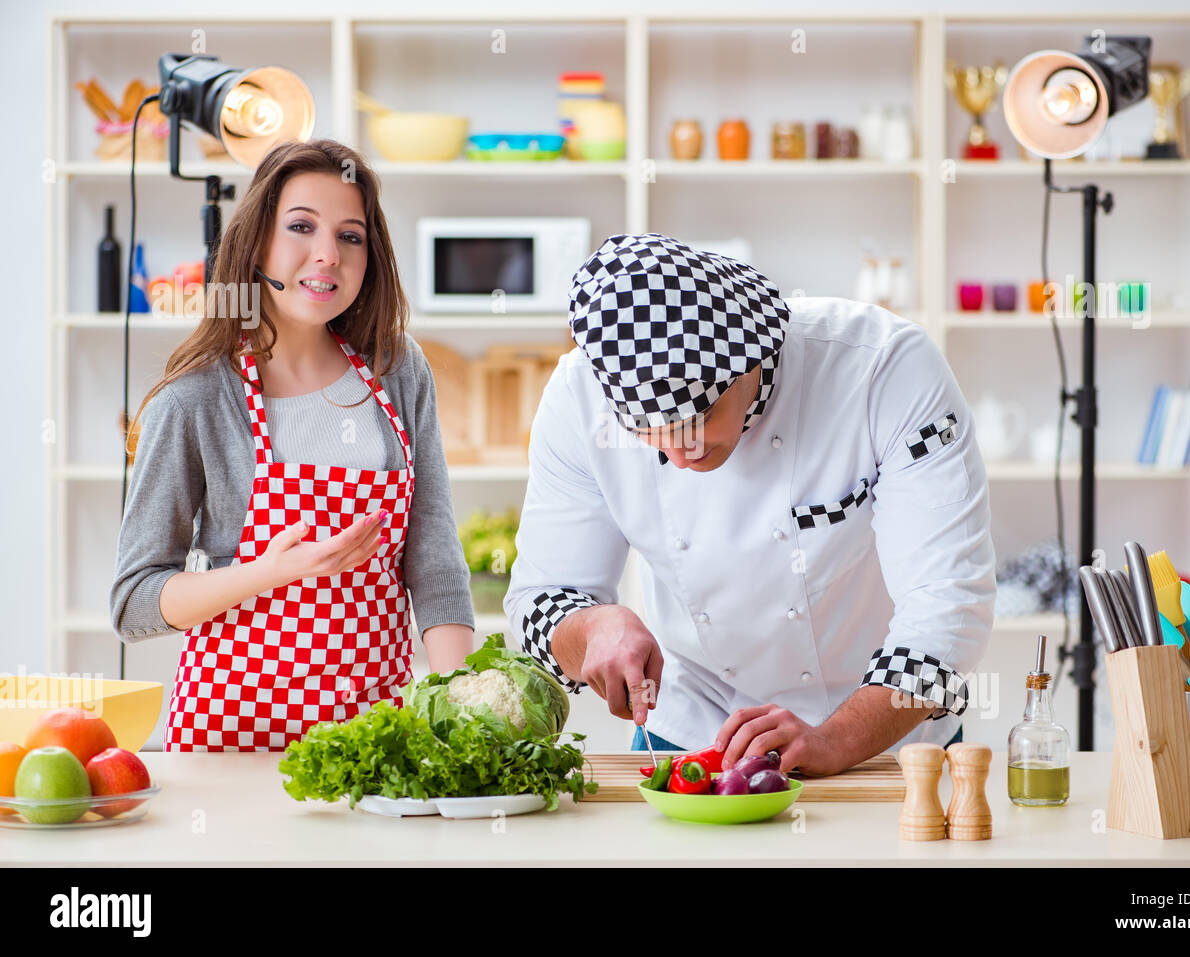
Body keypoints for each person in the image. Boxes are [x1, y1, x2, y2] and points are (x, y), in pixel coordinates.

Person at [504, 234, 995, 776]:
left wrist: (837, 740)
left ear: (750, 360)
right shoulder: (576, 400)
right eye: (649, 431)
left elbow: (951, 606)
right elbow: (539, 600)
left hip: (891, 738)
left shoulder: (885, 370)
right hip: (694, 732)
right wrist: (592, 627)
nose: (680, 452)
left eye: (700, 418)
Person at [111, 139, 474, 751]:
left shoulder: (398, 370)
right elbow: (134, 602)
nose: (327, 255)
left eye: (350, 236)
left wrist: (462, 716)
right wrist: (266, 572)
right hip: (227, 742)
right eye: (301, 227)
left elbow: (434, 564)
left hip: (372, 744)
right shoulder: (195, 397)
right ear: (256, 245)